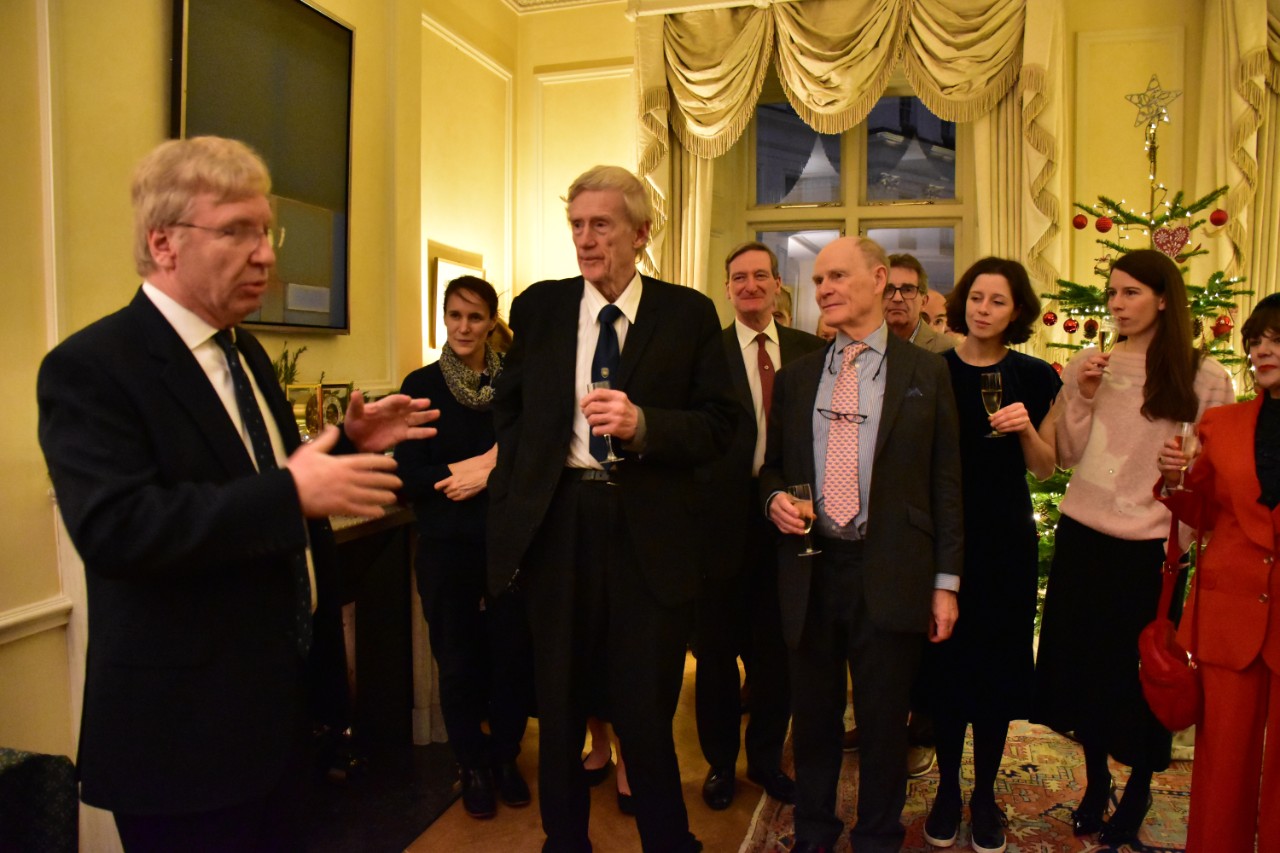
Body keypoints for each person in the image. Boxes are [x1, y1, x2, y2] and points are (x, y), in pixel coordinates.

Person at [35, 136, 438, 851]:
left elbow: (258, 480)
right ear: (164, 243)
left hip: (279, 723)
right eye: (237, 232)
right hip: (182, 742)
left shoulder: (242, 348)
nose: (266, 255)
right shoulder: (92, 367)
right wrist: (290, 489)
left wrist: (346, 444)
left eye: (267, 230)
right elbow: (117, 527)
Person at [486, 165, 736, 853]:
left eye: (601, 224)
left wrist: (645, 424)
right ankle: (564, 842)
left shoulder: (685, 314)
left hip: (647, 535)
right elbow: (510, 410)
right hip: (559, 526)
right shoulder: (538, 307)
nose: (585, 239)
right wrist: (517, 489)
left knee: (645, 710)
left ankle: (668, 841)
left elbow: (722, 426)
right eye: (576, 225)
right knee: (560, 709)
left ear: (642, 232)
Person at [759, 235, 962, 853]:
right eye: (818, 280)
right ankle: (815, 832)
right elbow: (770, 469)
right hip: (813, 568)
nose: (824, 289)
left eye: (838, 277)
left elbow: (946, 480)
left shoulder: (926, 371)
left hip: (893, 567)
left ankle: (877, 835)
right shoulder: (796, 379)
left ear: (879, 280)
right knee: (815, 719)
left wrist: (946, 584)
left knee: (881, 721)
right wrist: (772, 501)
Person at [1032, 248, 1235, 848]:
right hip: (1084, 538)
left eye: (1131, 294)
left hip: (1150, 550)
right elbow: (1064, 454)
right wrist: (1083, 393)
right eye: (1113, 294)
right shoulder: (1091, 362)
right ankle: (1096, 782)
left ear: (1164, 298)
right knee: (1085, 672)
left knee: (1145, 677)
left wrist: (1181, 473)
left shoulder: (1207, 377)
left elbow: (1208, 480)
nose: (1117, 305)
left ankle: (1141, 784)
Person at [918, 258, 1061, 853]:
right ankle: (947, 790)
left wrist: (1026, 429)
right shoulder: (931, 370)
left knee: (997, 671)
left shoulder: (1032, 375)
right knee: (948, 670)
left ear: (1016, 312)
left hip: (1005, 539)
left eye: (997, 301)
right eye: (976, 297)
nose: (982, 309)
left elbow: (1047, 467)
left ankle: (984, 795)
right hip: (945, 537)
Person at [395, 275, 533, 820]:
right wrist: (467, 470)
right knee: (456, 663)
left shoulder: (513, 385)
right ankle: (471, 764)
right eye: (454, 315)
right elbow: (407, 476)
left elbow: (531, 462)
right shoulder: (420, 384)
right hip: (446, 548)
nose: (463, 327)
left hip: (507, 546)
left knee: (511, 662)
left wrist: (490, 477)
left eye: (475, 317)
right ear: (443, 319)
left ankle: (504, 758)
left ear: (492, 322)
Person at [696, 242, 825, 811]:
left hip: (790, 524)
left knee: (778, 655)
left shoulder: (806, 351)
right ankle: (720, 765)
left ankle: (766, 760)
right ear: (728, 288)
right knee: (718, 655)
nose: (749, 286)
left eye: (760, 276)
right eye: (738, 277)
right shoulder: (706, 354)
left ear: (778, 285)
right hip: (721, 525)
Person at [1154, 293, 1280, 853]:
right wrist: (1178, 480)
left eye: (1275, 339)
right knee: (1222, 765)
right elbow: (1203, 514)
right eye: (1255, 340)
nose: (1261, 350)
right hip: (1229, 615)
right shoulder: (1221, 425)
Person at [885, 253, 955, 353]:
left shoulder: (948, 350)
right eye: (888, 289)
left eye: (907, 290)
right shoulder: (862, 345)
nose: (897, 298)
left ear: (923, 302)